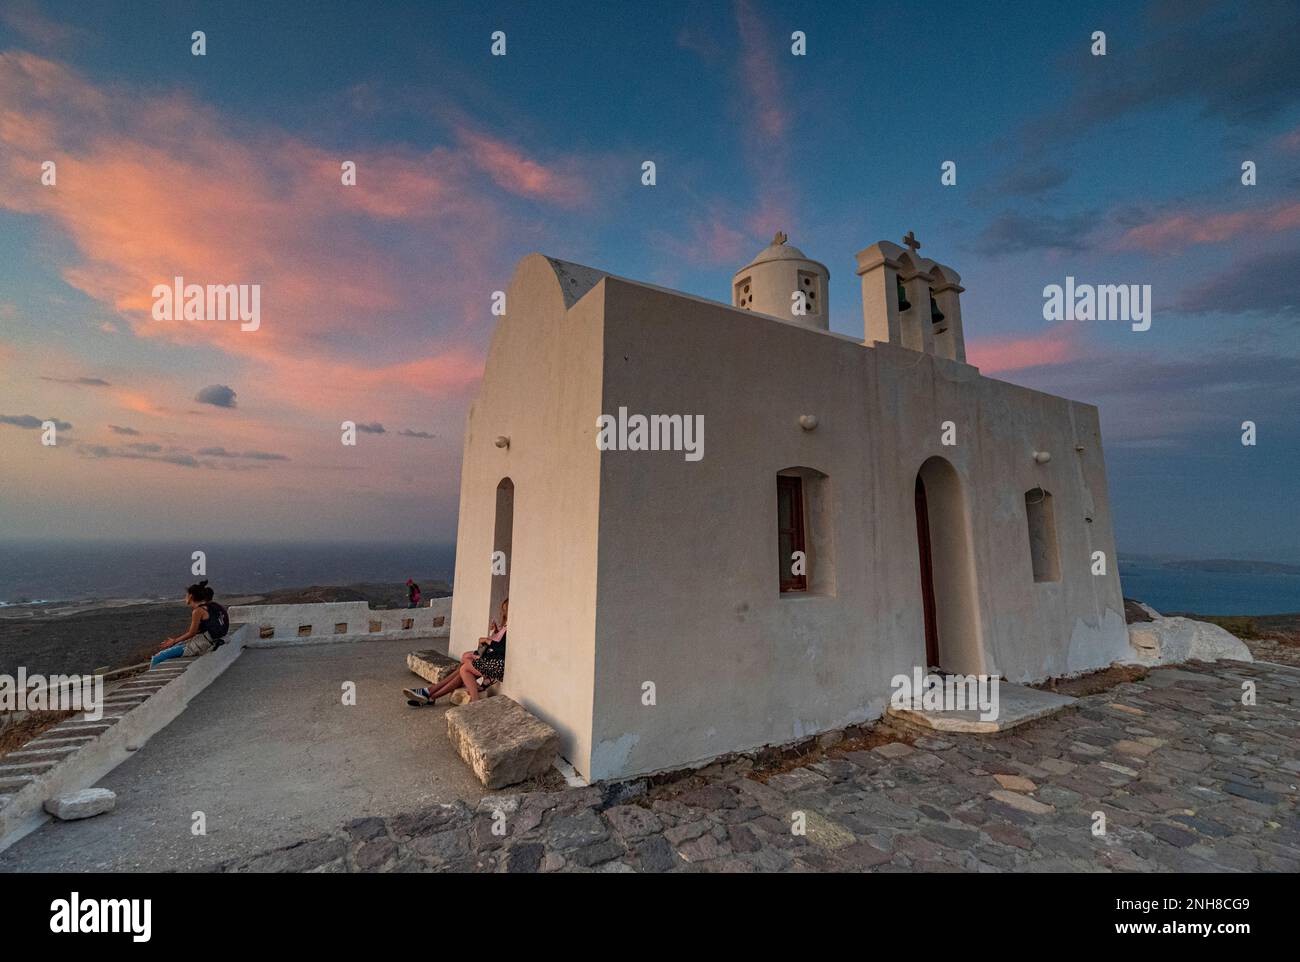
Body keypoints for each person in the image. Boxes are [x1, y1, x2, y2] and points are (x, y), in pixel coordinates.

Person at [405, 598, 506, 706]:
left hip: (496, 664)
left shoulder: (510, 628)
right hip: (492, 661)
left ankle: (430, 693)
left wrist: (487, 640)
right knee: (462, 666)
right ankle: (430, 695)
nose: (502, 612)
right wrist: (494, 633)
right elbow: (495, 645)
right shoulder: (504, 626)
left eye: (504, 610)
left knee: (464, 668)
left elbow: (500, 648)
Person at [150, 580, 229, 668]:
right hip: (212, 640)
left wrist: (173, 641)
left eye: (186, 595)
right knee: (174, 648)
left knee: (157, 658)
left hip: (203, 643)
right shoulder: (213, 606)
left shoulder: (198, 611)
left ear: (190, 596)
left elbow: (192, 633)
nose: (185, 597)